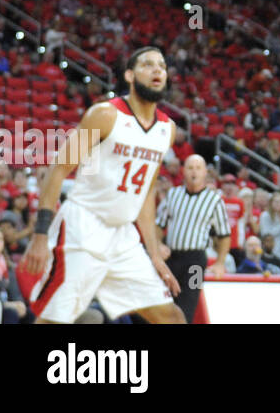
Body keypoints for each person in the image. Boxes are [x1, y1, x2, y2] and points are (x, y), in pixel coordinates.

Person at [23, 46, 185, 323]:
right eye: (148, 64)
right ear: (130, 75)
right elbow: (58, 170)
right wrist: (40, 235)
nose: (158, 69)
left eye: (161, 65)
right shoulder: (105, 114)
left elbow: (145, 194)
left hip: (123, 237)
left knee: (171, 316)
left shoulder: (167, 129)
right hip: (83, 228)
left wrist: (155, 254)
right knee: (54, 319)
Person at [156, 153, 231, 322]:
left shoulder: (214, 200)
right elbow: (158, 225)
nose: (194, 172)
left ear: (205, 172)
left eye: (198, 168)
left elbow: (224, 235)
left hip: (196, 260)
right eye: (190, 168)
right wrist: (158, 244)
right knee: (164, 305)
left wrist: (220, 262)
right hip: (171, 258)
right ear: (183, 171)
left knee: (188, 306)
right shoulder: (173, 195)